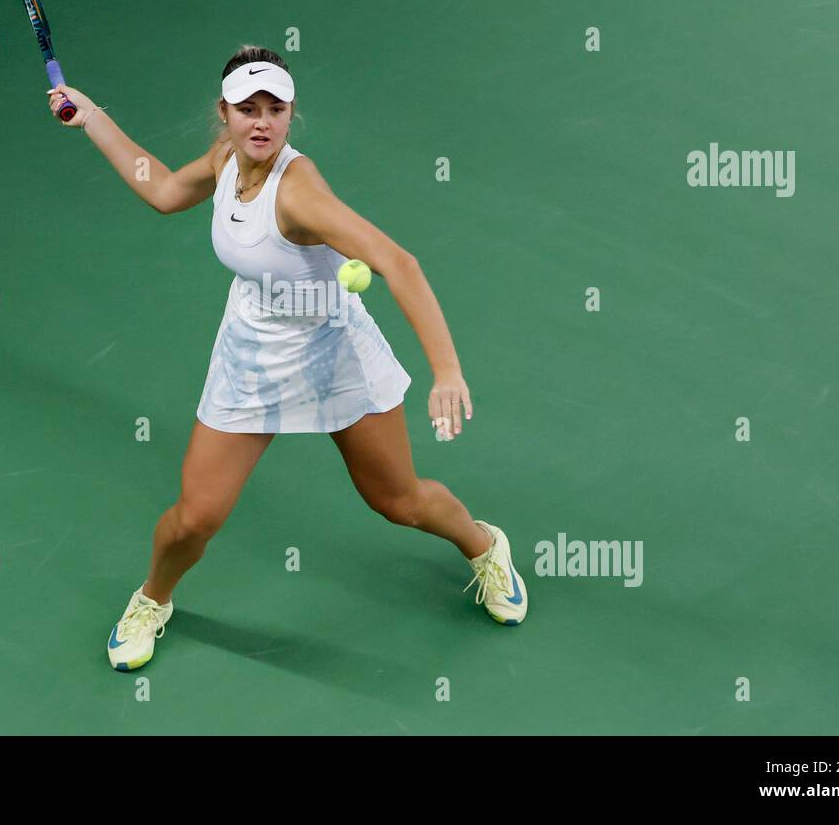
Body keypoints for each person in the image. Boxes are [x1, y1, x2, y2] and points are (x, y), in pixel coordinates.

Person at [47, 45, 528, 672]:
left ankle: (485, 545)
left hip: (333, 353)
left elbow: (398, 263)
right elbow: (163, 189)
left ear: (290, 114)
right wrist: (93, 118)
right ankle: (152, 600)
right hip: (250, 357)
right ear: (224, 114)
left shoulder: (299, 194)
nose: (262, 122)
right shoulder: (224, 158)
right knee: (195, 519)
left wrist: (447, 370)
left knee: (399, 501)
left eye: (275, 108)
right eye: (248, 108)